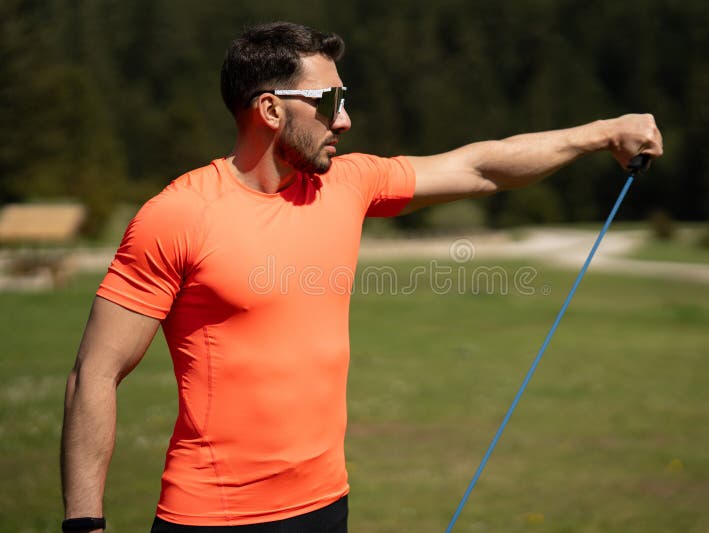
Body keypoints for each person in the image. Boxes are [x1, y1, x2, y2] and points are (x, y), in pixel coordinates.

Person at [60, 21, 663, 533]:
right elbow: (96, 372)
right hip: (213, 516)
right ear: (270, 108)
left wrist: (602, 133)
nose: (344, 120)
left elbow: (482, 167)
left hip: (326, 505)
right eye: (328, 101)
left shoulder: (347, 184)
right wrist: (84, 526)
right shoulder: (178, 215)